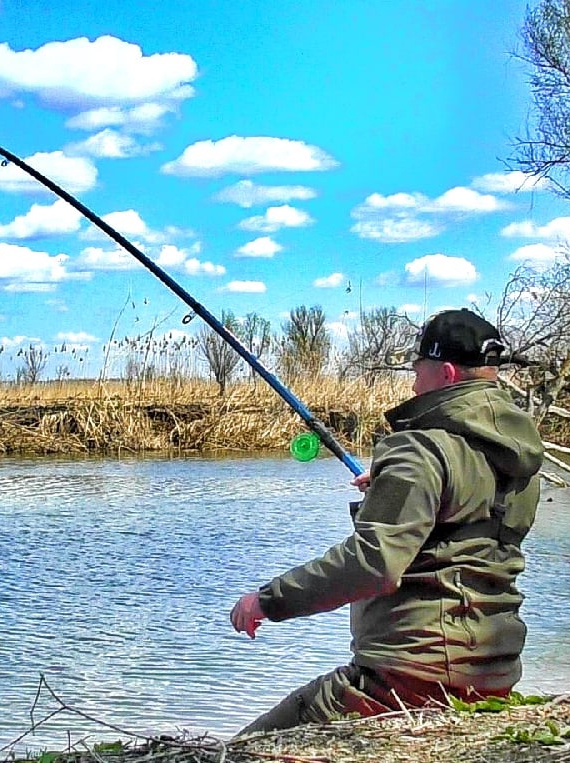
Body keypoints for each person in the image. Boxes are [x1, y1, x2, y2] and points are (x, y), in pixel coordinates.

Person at [229, 308, 545, 734]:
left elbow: (374, 564)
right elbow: (465, 528)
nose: (414, 384)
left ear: (446, 373)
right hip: (494, 672)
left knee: (246, 750)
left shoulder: (418, 449)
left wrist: (267, 601)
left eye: (418, 370)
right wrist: (391, 488)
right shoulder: (517, 455)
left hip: (411, 677)